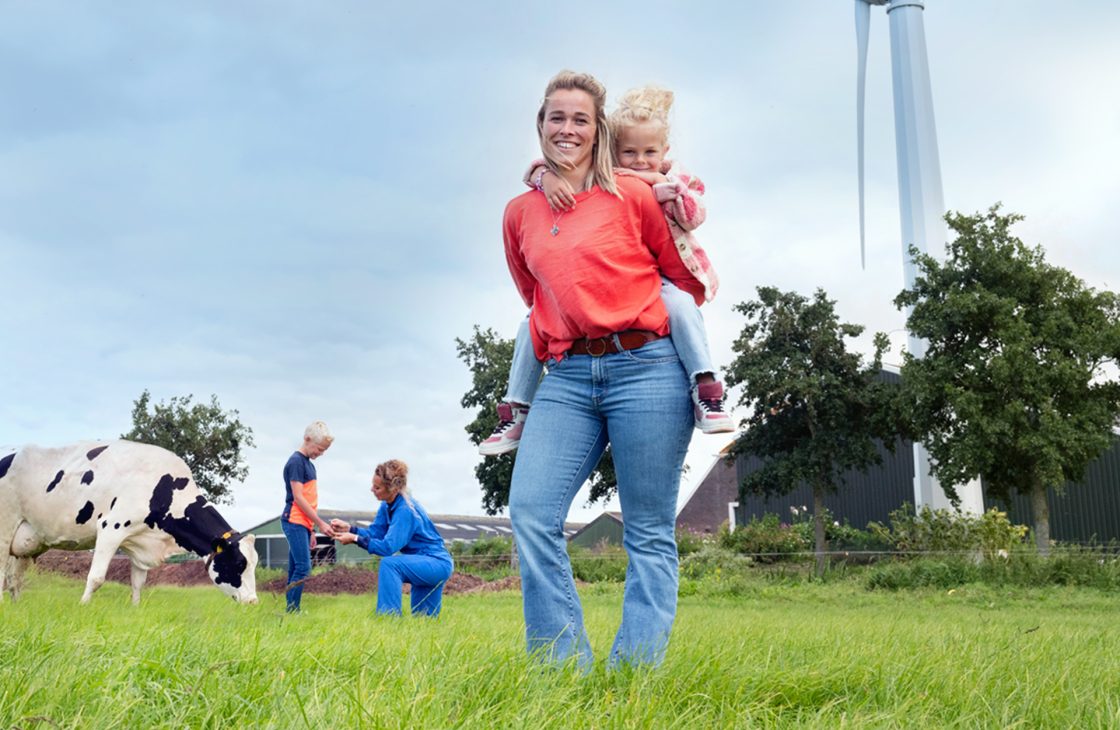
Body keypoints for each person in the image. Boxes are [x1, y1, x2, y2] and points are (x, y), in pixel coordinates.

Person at [502, 70, 704, 669]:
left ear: (599, 131)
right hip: (567, 376)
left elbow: (681, 274)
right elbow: (535, 294)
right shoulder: (519, 214)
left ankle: (632, 674)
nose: (567, 128)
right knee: (532, 513)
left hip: (649, 368)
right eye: (556, 117)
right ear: (540, 125)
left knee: (647, 530)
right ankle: (564, 669)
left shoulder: (635, 195)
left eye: (580, 119)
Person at [479, 84, 733, 457]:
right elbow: (532, 284)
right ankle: (516, 407)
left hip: (653, 294)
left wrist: (662, 186)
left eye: (649, 153)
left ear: (664, 152)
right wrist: (546, 179)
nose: (640, 160)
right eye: (629, 152)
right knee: (530, 321)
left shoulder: (662, 182)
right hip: (574, 360)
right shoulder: (594, 184)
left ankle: (706, 385)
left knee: (679, 305)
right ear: (612, 150)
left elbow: (693, 220)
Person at [332, 460, 454, 617]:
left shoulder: (405, 511)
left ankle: (388, 618)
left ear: (393, 489)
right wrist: (350, 529)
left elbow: (387, 548)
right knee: (424, 622)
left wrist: (355, 539)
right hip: (422, 561)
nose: (372, 490)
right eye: (372, 485)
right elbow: (376, 533)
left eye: (377, 487)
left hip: (436, 562)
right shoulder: (387, 505)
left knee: (390, 565)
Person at [281, 420, 336, 613]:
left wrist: (311, 529)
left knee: (296, 568)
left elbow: (310, 500)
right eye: (319, 449)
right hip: (294, 520)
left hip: (302, 523)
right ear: (307, 439)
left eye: (324, 451)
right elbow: (298, 497)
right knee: (303, 568)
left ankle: (290, 610)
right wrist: (320, 523)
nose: (320, 453)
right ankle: (292, 610)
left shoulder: (309, 465)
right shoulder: (296, 462)